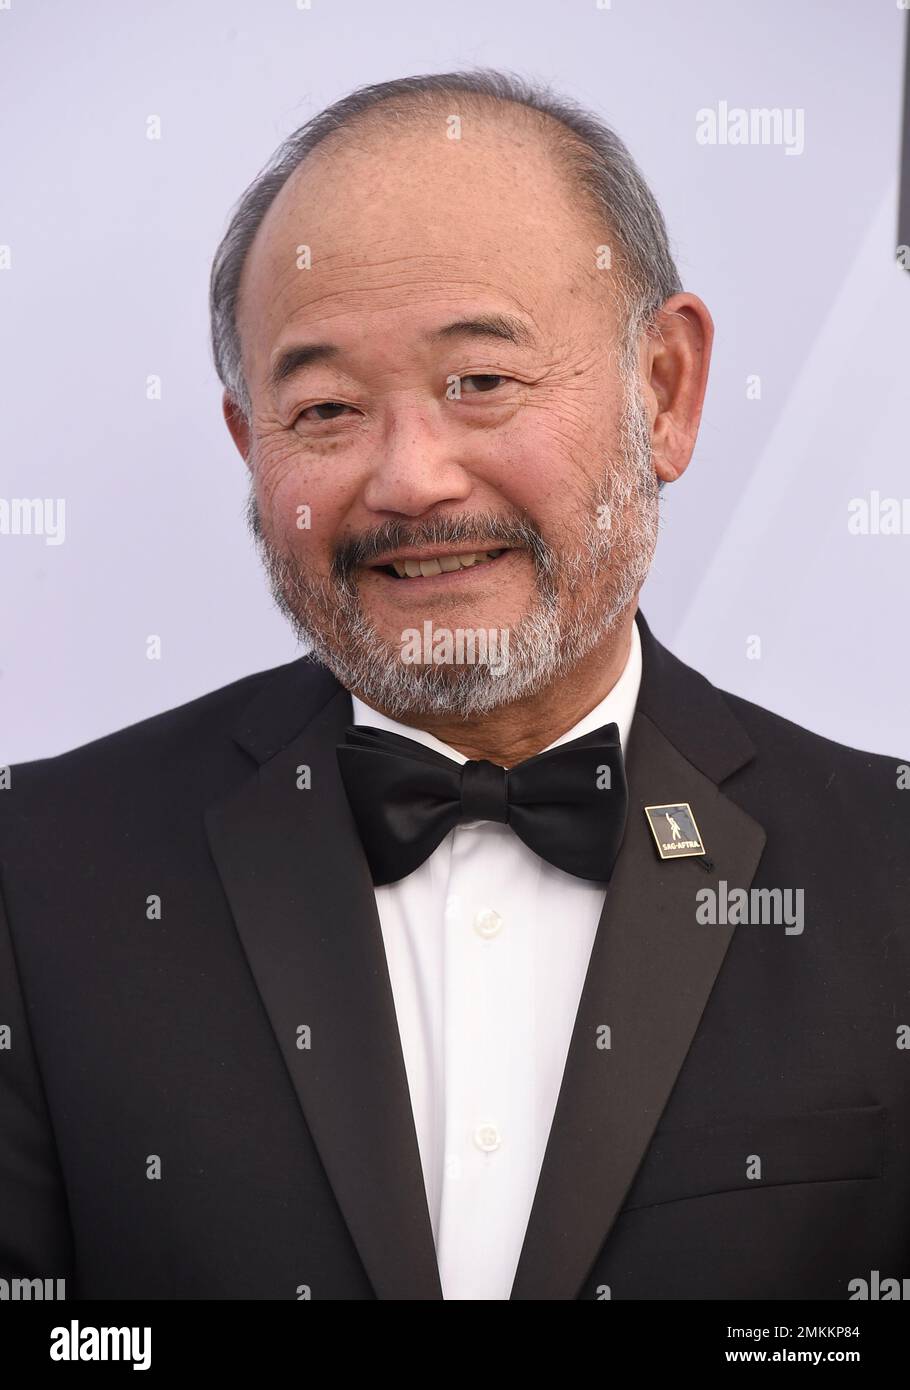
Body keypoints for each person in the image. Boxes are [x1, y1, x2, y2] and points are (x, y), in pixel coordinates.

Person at [1, 70, 907, 1302]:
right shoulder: (37, 873)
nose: (410, 480)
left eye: (480, 381)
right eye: (324, 407)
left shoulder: (888, 868)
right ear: (248, 444)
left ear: (666, 390)